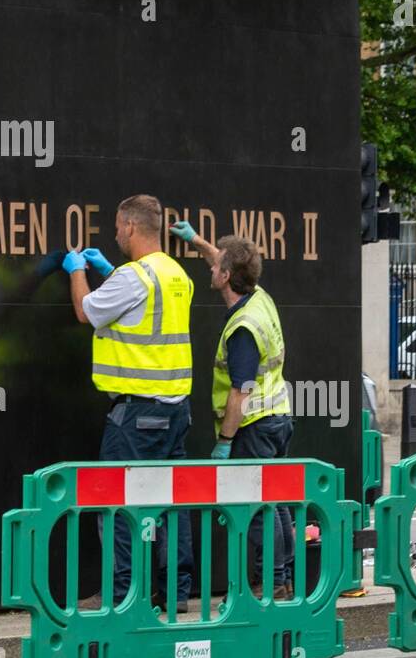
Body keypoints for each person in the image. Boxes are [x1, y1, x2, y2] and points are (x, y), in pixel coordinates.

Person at [65, 195, 195, 613]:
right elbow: (138, 310)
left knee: (117, 504)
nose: (116, 233)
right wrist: (111, 272)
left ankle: (119, 595)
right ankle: (174, 592)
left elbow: (86, 311)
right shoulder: (176, 273)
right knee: (170, 505)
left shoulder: (135, 276)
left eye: (118, 227)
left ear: (131, 227)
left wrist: (79, 270)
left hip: (137, 413)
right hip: (176, 410)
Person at [171, 223, 294, 598]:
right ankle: (284, 578)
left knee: (257, 508)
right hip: (278, 419)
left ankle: (270, 584)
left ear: (226, 277)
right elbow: (227, 262)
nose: (210, 268)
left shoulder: (242, 327)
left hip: (252, 426)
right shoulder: (259, 298)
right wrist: (197, 241)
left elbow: (240, 395)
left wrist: (225, 440)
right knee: (276, 502)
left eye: (215, 267)